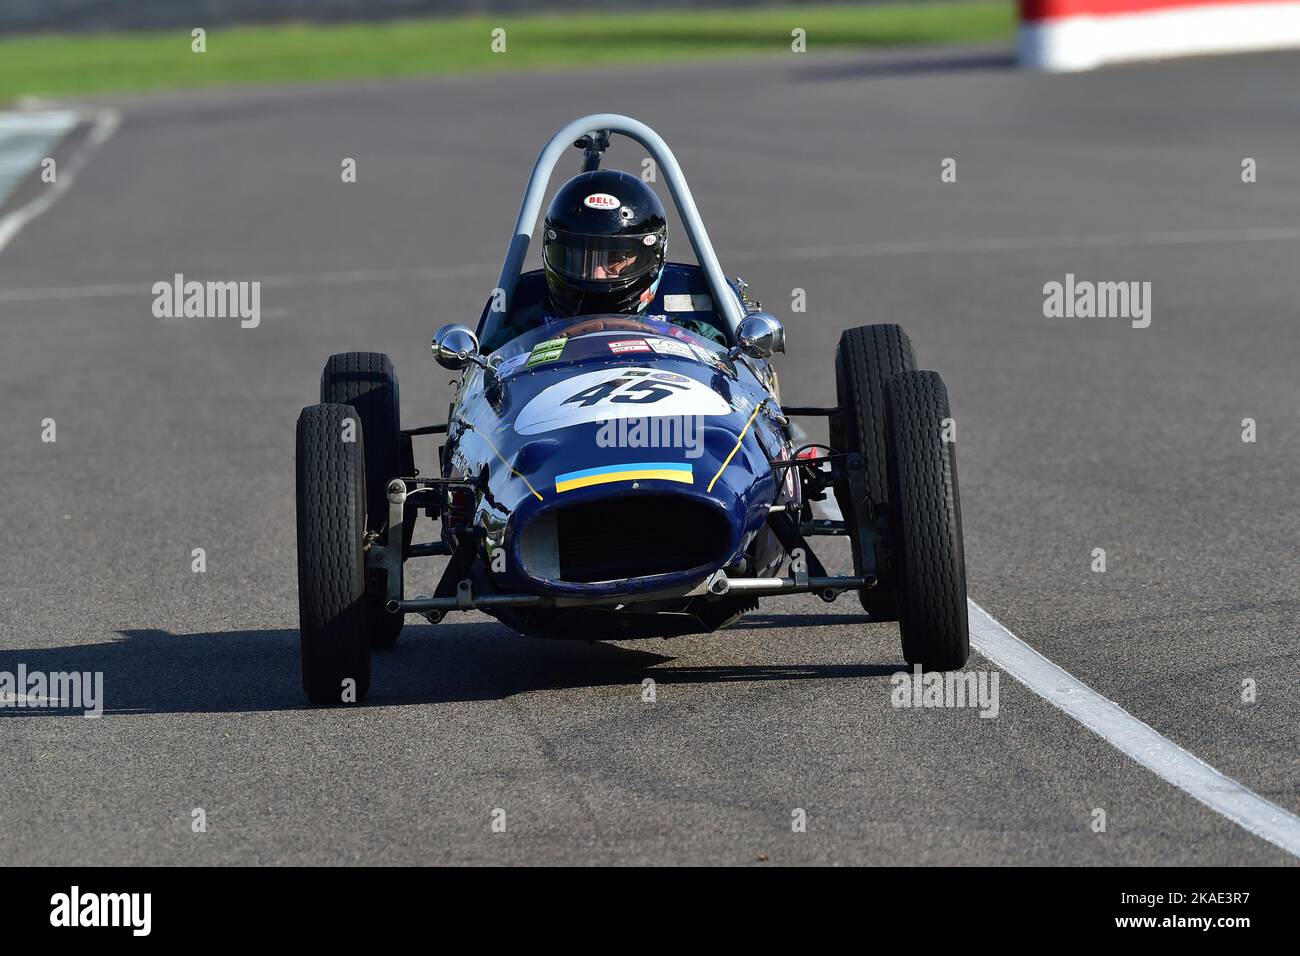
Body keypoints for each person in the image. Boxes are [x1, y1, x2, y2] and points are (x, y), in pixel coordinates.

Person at [541, 168, 668, 316]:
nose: (597, 274)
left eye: (616, 260)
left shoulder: (687, 334)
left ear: (656, 255)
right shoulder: (522, 330)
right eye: (581, 259)